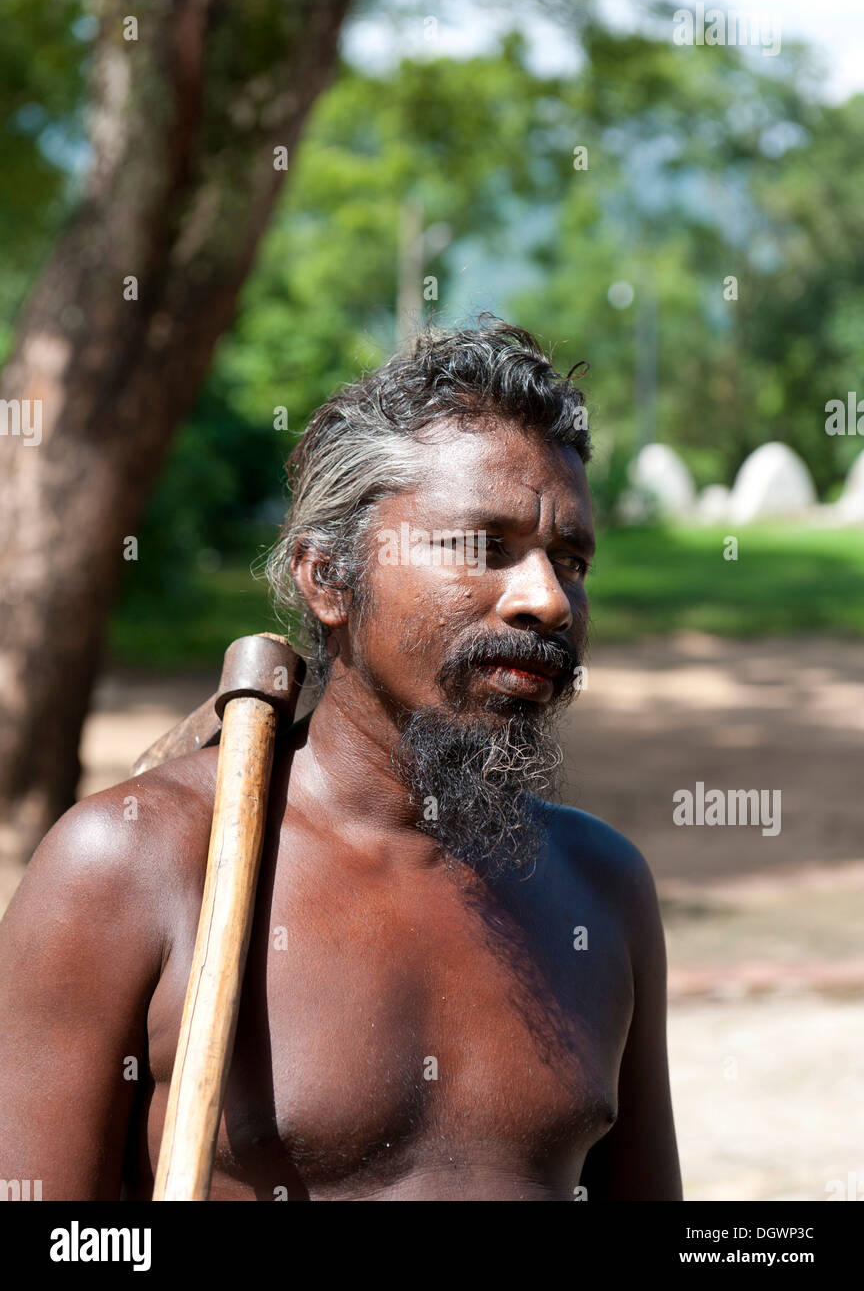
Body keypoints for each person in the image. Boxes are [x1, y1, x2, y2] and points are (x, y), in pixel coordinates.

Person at [0, 320, 681, 1201]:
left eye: (572, 560)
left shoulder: (602, 885)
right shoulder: (132, 865)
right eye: (485, 547)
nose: (547, 600)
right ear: (328, 578)